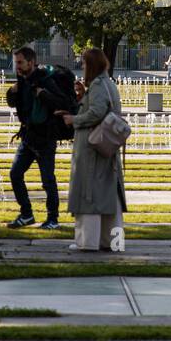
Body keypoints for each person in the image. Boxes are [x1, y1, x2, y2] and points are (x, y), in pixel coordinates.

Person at [61, 48, 126, 251]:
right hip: (106, 148)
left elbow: (96, 112)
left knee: (88, 194)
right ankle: (112, 242)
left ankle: (87, 241)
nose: (82, 66)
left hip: (92, 149)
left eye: (85, 62)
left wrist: (74, 119)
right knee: (108, 196)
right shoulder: (109, 84)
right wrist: (83, 96)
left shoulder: (98, 85)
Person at [5, 46, 73, 229]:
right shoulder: (22, 81)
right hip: (28, 137)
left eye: (20, 62)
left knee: (47, 180)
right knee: (15, 174)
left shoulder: (45, 81)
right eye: (16, 62)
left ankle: (53, 218)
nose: (17, 66)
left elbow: (62, 102)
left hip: (45, 138)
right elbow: (13, 103)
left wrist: (43, 94)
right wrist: (12, 91)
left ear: (31, 62)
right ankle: (26, 213)